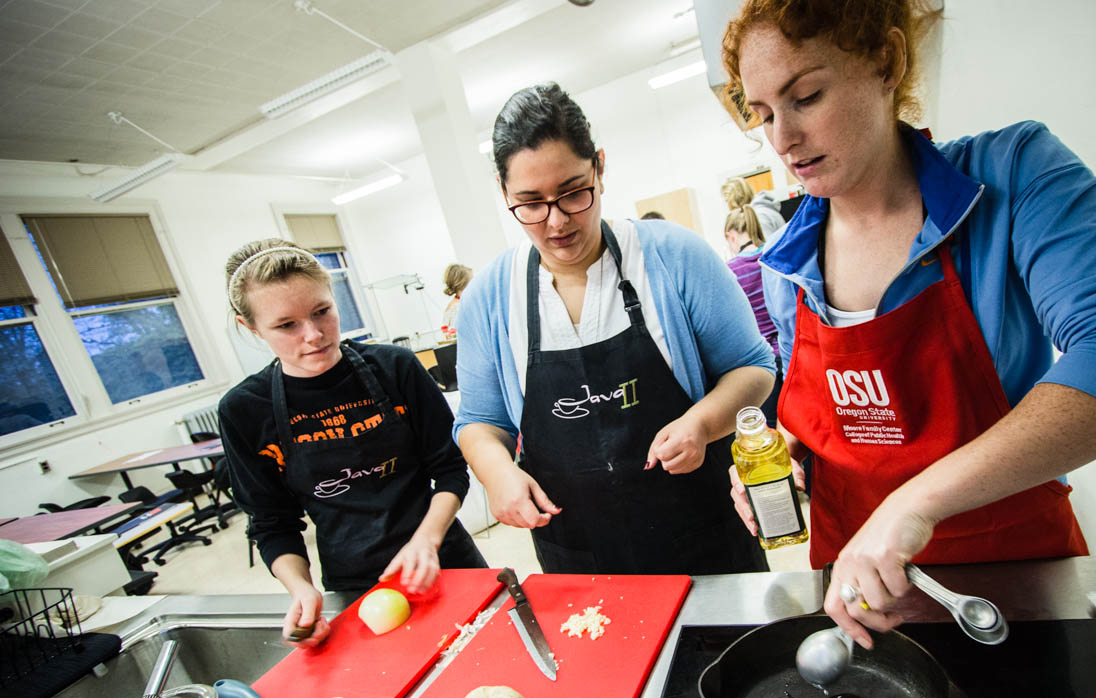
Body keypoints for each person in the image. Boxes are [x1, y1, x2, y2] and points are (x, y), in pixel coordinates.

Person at [721, 0, 1096, 649]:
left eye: (805, 96)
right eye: (763, 114)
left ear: (885, 62)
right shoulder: (788, 261)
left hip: (1013, 591)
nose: (782, 140)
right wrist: (786, 456)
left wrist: (915, 501)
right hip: (859, 601)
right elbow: (831, 411)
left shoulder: (1011, 175)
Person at [454, 82, 775, 576]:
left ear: (599, 168)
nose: (556, 221)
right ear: (504, 194)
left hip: (704, 543)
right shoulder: (489, 299)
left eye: (573, 192)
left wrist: (702, 423)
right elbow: (478, 421)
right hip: (579, 561)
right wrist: (496, 474)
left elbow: (754, 370)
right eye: (530, 203)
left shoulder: (674, 257)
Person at [219, 239, 487, 649]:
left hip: (444, 559)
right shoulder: (244, 410)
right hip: (355, 585)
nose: (313, 335)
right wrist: (302, 591)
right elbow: (273, 522)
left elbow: (450, 469)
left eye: (322, 311)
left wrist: (426, 539)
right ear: (250, 327)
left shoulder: (395, 367)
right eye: (286, 325)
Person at [723, 204, 782, 425]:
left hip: (763, 362)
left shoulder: (731, 270)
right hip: (793, 353)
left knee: (774, 431)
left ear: (731, 236)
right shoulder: (775, 256)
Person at [721, 176, 785, 240]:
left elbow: (767, 248)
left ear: (734, 201)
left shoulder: (759, 216)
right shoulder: (764, 208)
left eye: (728, 201)